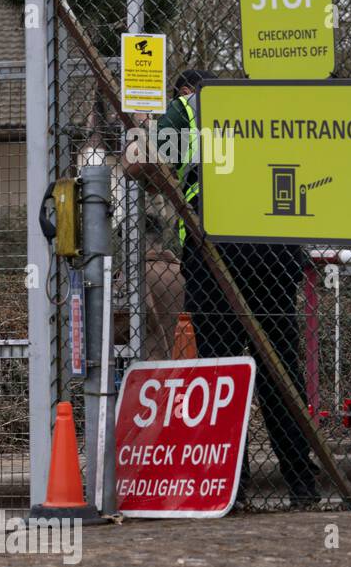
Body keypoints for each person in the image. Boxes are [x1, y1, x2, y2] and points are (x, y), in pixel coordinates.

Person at [128, 69, 319, 507]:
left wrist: (141, 129)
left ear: (185, 90)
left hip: (217, 251)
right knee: (280, 373)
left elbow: (139, 162)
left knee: (221, 374)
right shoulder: (276, 107)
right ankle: (303, 486)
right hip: (276, 249)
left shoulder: (189, 109)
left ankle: (230, 491)